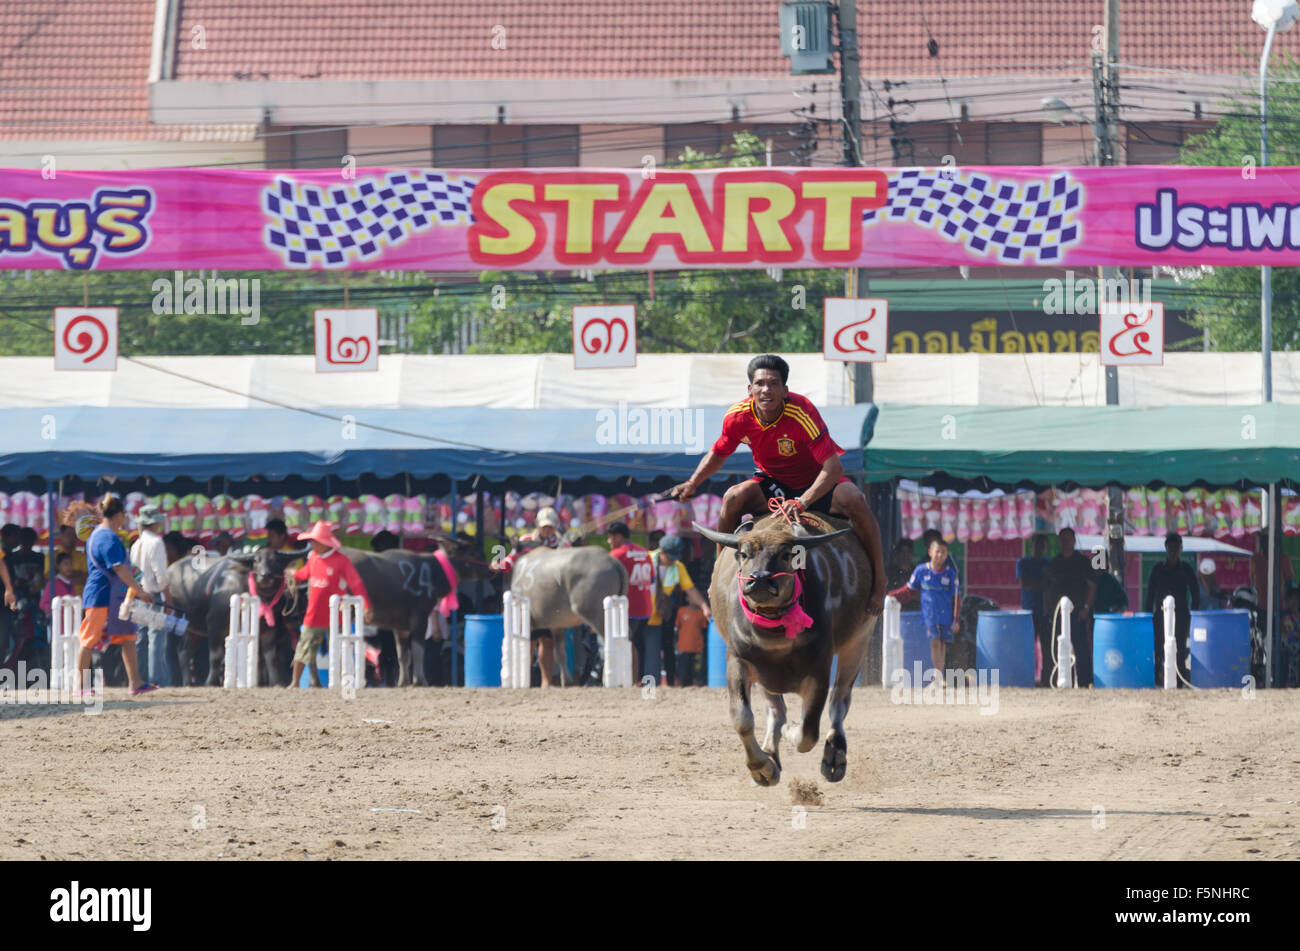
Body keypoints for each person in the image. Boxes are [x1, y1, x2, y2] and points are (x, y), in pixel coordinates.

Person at [669, 353, 887, 617]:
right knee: (732, 498)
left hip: (816, 483)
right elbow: (718, 453)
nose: (766, 390)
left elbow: (834, 468)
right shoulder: (737, 416)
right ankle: (720, 574)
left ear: (785, 390)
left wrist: (803, 501)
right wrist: (693, 483)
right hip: (774, 483)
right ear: (750, 389)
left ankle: (880, 579)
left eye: (773, 384)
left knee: (855, 499)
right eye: (759, 384)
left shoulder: (802, 410)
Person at [76, 496, 154, 696]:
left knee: (128, 637)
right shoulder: (106, 537)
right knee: (89, 639)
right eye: (124, 516)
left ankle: (136, 682)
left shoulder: (103, 535)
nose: (125, 520)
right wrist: (139, 591)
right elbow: (119, 568)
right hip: (101, 595)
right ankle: (81, 686)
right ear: (119, 515)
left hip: (114, 596)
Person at [491, 506, 570, 687]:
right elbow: (510, 560)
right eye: (544, 527)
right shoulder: (525, 541)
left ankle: (546, 683)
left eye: (550, 527)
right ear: (538, 525)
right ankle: (524, 680)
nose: (547, 530)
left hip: (550, 601)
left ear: (555, 526)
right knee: (528, 641)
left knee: (547, 641)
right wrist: (498, 565)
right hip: (527, 598)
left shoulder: (562, 544)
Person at [289, 521, 372, 689]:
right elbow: (305, 574)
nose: (311, 544)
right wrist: (293, 575)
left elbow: (356, 584)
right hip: (314, 614)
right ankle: (295, 682)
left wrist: (366, 606)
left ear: (323, 543)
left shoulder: (341, 561)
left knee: (343, 649)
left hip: (338, 615)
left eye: (314, 541)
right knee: (304, 648)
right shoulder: (313, 558)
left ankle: (344, 682)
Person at [887, 536, 960, 686]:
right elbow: (909, 590)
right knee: (935, 642)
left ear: (947, 555)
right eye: (938, 551)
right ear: (930, 552)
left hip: (945, 615)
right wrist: (892, 594)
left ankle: (939, 675)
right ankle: (938, 675)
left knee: (942, 643)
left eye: (944, 552)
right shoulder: (921, 571)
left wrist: (955, 619)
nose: (940, 555)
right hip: (930, 615)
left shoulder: (950, 574)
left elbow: (956, 598)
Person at [645, 534, 712, 685]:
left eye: (676, 557)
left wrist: (704, 606)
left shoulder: (678, 567)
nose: (673, 561)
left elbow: (691, 590)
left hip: (655, 619)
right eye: (670, 557)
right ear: (661, 551)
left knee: (652, 657)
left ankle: (649, 689)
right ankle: (636, 684)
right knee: (640, 652)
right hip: (639, 617)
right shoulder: (645, 560)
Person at [1144, 532, 1200, 689]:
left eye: (1176, 547)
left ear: (1181, 548)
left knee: (1180, 649)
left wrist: (1193, 615)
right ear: (1166, 548)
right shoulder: (1158, 569)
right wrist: (1149, 616)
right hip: (1160, 616)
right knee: (1159, 648)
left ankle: (1180, 681)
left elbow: (1195, 593)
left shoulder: (1186, 569)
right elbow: (1150, 594)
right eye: (1171, 547)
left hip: (1181, 616)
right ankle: (1157, 679)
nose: (1173, 550)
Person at [1044, 527, 1097, 687]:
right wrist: (1048, 611)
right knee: (1056, 648)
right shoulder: (1054, 564)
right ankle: (1055, 680)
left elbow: (1092, 586)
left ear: (1074, 541)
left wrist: (1086, 608)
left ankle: (1084, 682)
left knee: (1081, 648)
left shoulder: (1083, 562)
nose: (1066, 543)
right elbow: (1046, 590)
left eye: (1069, 539)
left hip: (1078, 612)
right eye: (1063, 539)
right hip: (1057, 614)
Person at [606, 521, 653, 682]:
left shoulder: (616, 555)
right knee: (638, 644)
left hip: (629, 608)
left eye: (610, 538)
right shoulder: (644, 552)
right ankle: (638, 679)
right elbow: (652, 579)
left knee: (627, 643)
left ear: (618, 537)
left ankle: (631, 680)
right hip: (646, 607)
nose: (609, 542)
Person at [130, 505, 171, 687]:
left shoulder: (136, 544)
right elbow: (160, 574)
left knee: (141, 638)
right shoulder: (156, 542)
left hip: (139, 594)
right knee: (156, 638)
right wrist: (168, 597)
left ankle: (141, 678)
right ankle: (158, 679)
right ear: (155, 523)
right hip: (154, 595)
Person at [1017, 534, 1050, 686]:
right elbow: (1026, 584)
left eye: (1042, 545)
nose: (1040, 549)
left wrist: (1041, 585)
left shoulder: (1050, 564)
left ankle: (1046, 679)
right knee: (1026, 648)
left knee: (1047, 648)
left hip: (1045, 612)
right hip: (1028, 613)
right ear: (1032, 546)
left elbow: (1051, 585)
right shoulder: (1023, 563)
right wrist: (1043, 584)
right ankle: (1026, 678)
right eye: (1037, 545)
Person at [1249, 532, 1294, 621]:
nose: (1263, 541)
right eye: (1262, 539)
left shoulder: (1283, 558)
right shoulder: (1254, 559)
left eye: (1266, 538)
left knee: (1279, 632)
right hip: (1260, 606)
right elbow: (1252, 581)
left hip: (1279, 606)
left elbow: (1289, 583)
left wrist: (1287, 603)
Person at [674, 600, 707, 686]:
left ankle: (696, 685)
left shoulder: (701, 613)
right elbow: (677, 627)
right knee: (682, 670)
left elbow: (703, 627)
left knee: (696, 671)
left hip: (697, 648)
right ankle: (679, 685)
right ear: (687, 598)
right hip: (683, 647)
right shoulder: (681, 611)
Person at [55, 524, 88, 593]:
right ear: (61, 535)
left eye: (75, 535)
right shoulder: (52, 555)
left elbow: (87, 577)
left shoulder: (82, 556)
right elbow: (51, 577)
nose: (72, 538)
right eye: (69, 534)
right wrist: (78, 574)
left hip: (80, 599)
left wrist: (65, 576)